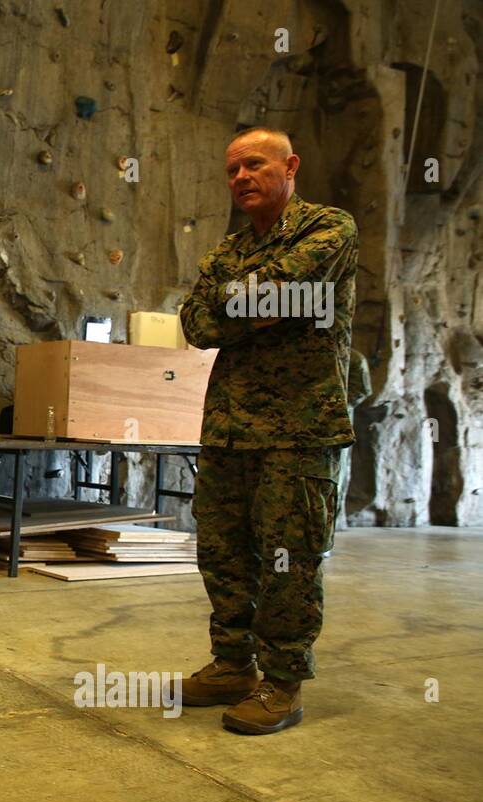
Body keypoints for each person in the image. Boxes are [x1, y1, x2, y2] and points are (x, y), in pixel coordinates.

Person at [178, 127, 358, 735]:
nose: (241, 178)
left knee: (289, 560)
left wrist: (252, 303)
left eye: (254, 165)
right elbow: (197, 324)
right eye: (232, 170)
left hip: (300, 430)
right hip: (229, 428)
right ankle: (232, 664)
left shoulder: (330, 229)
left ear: (290, 166)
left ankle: (282, 682)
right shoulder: (226, 251)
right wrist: (260, 304)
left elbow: (269, 298)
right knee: (222, 552)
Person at [336, 348, 371, 528]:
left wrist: (333, 406)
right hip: (305, 426)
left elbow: (361, 390)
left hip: (338, 425)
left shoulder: (354, 357)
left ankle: (330, 526)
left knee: (337, 475)